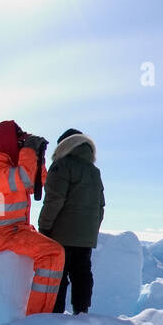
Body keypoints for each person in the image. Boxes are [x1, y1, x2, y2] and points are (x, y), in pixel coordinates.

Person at [0, 120, 64, 315]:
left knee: (52, 251)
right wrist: (28, 151)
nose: (22, 144)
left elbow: (39, 182)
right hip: (3, 234)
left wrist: (37, 156)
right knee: (53, 254)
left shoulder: (9, 165)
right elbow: (24, 178)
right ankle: (37, 318)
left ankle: (38, 313)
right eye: (19, 140)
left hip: (16, 230)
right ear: (8, 142)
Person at [38, 129, 105, 315]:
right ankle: (81, 313)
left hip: (61, 233)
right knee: (82, 274)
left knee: (58, 275)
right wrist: (91, 231)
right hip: (85, 237)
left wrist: (44, 227)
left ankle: (55, 315)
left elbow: (54, 199)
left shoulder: (63, 165)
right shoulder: (94, 171)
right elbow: (100, 206)